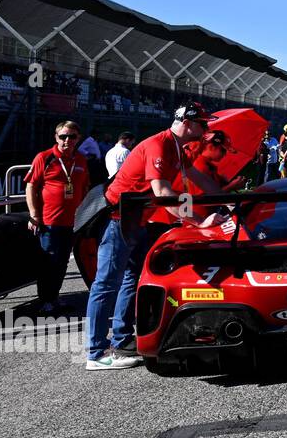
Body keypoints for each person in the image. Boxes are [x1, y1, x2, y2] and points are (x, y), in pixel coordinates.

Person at [86, 101, 213, 371]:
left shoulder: (178, 148)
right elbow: (163, 193)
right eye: (203, 124)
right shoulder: (159, 144)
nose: (206, 128)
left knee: (132, 278)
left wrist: (228, 202)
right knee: (106, 283)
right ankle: (96, 353)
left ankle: (121, 340)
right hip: (116, 219)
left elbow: (199, 178)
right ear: (188, 123)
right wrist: (201, 221)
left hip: (135, 220)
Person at [24, 120, 92, 314]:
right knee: (49, 262)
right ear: (56, 137)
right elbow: (31, 186)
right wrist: (34, 215)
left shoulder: (81, 159)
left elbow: (85, 188)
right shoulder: (44, 158)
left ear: (78, 139)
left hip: (73, 222)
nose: (67, 140)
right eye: (63, 136)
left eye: (72, 137)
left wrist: (85, 215)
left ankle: (54, 298)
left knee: (62, 262)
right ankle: (45, 300)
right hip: (49, 222)